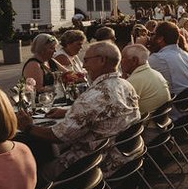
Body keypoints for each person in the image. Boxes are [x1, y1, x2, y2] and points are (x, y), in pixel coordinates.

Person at [17, 41, 140, 176]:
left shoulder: (94, 96)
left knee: (32, 172)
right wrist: (68, 112)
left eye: (86, 60)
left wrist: (28, 127)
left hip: (96, 165)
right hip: (124, 156)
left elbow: (59, 136)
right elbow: (103, 113)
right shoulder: (125, 85)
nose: (83, 65)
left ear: (102, 60)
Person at [147, 21, 188, 95]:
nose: (150, 37)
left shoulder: (157, 58)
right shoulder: (187, 55)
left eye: (153, 34)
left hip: (175, 102)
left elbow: (141, 78)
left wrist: (140, 47)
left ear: (160, 39)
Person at [120, 44, 171, 116]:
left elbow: (120, 109)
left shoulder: (135, 80)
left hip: (148, 124)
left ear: (134, 60)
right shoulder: (156, 73)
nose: (120, 62)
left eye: (123, 58)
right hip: (161, 121)